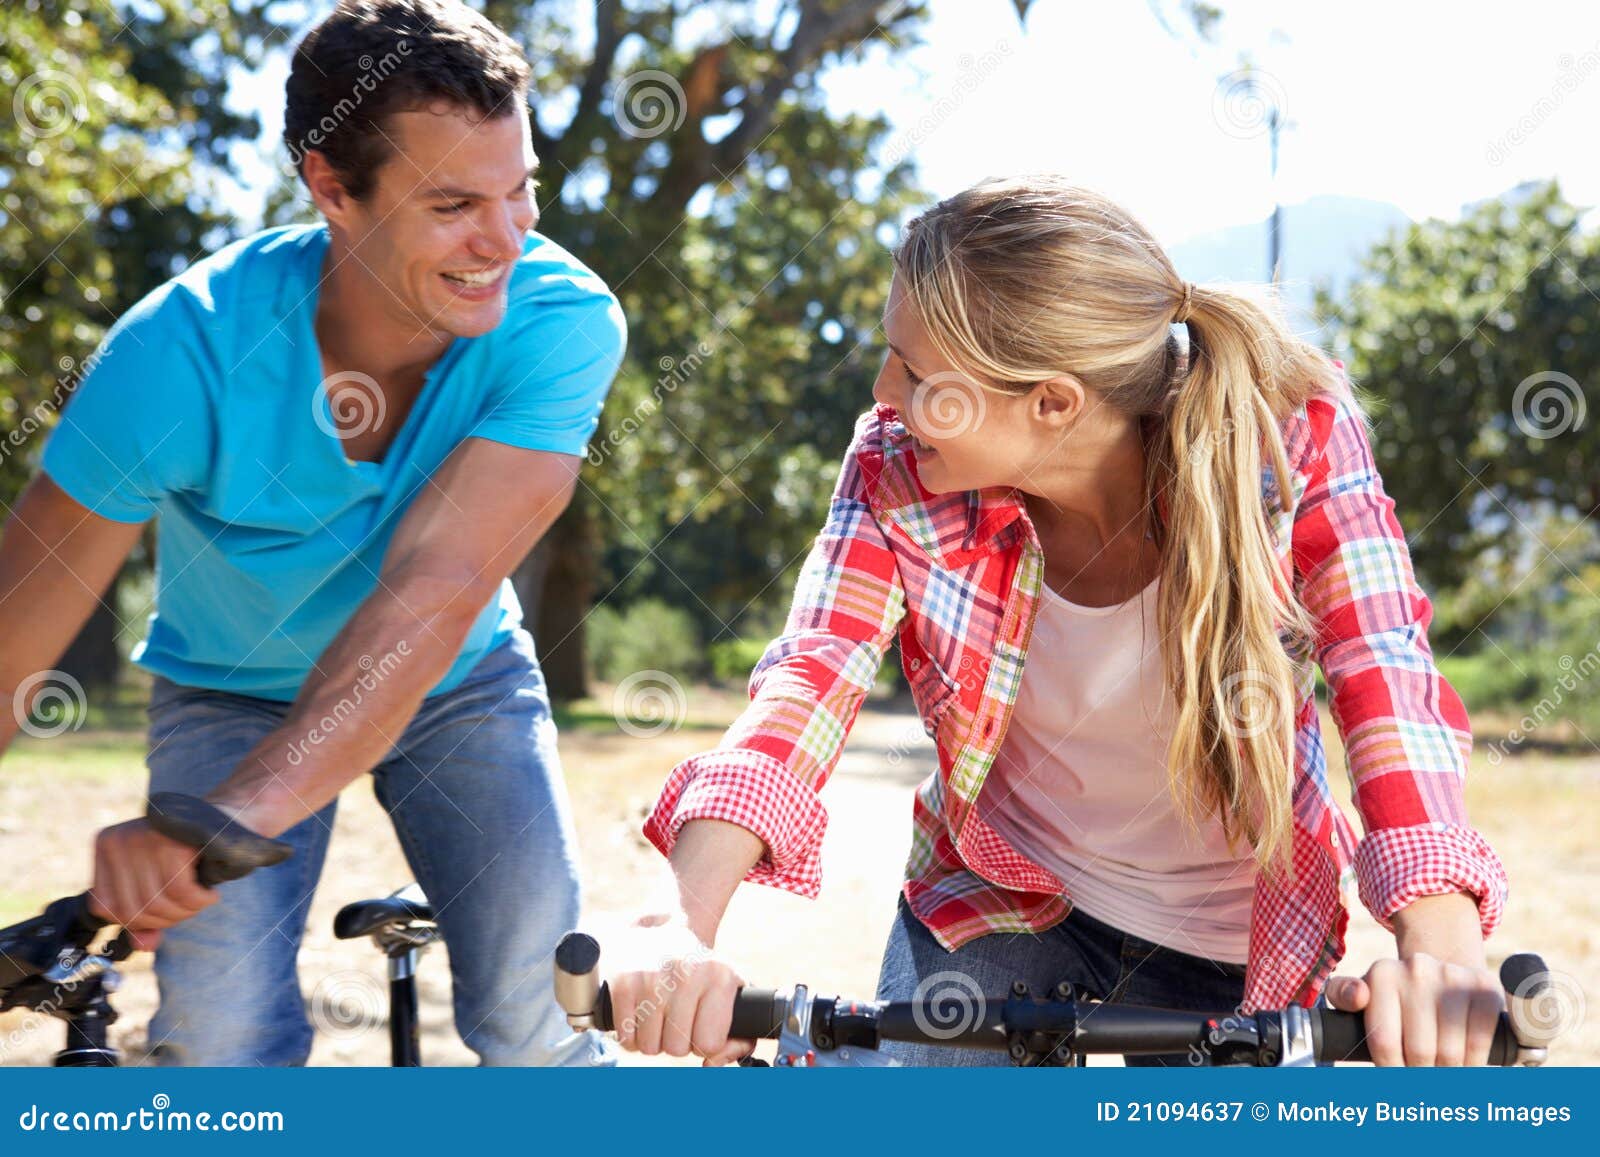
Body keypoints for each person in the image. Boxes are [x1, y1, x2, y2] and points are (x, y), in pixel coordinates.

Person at [605, 176, 1510, 1067]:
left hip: (1235, 932)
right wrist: (675, 917)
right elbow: (812, 672)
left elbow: (1378, 658)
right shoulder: (895, 468)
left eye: (916, 373)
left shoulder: (1287, 436)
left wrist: (1440, 944)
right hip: (1004, 891)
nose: (883, 392)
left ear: (1052, 402)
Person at [0, 0, 624, 1067]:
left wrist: (219, 822)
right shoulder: (173, 357)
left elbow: (430, 597)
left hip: (456, 676)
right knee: (218, 1038)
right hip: (229, 686)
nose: (506, 238)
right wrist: (224, 810)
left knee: (544, 1012)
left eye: (521, 188)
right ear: (331, 188)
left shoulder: (563, 322)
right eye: (453, 203)